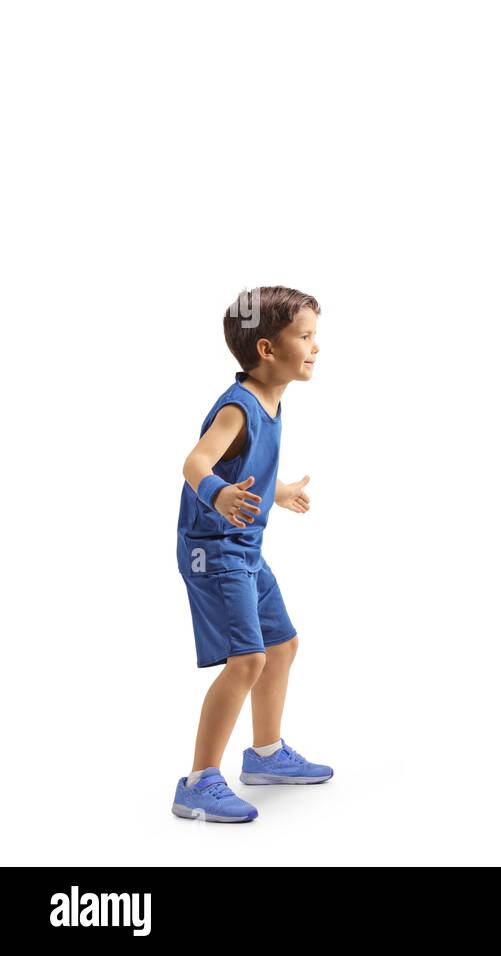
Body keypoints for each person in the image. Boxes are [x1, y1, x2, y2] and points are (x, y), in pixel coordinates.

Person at [171, 286, 333, 823]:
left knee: (281, 645)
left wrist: (278, 491)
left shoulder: (271, 400)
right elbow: (196, 462)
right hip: (214, 552)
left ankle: (265, 755)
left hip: (245, 548)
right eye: (305, 337)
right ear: (267, 349)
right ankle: (198, 782)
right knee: (248, 659)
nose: (316, 347)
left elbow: (249, 467)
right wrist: (217, 493)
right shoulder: (238, 407)